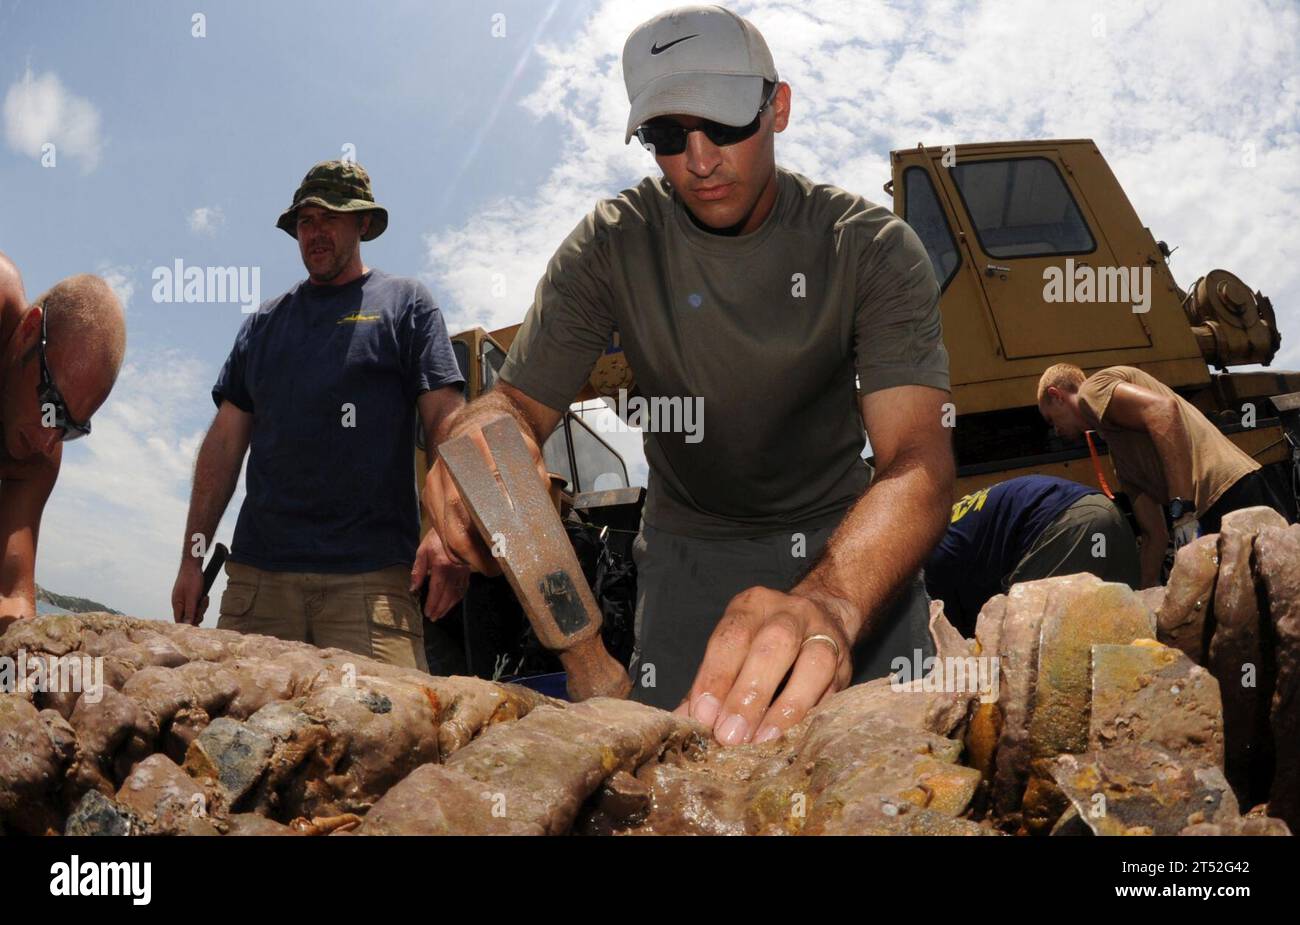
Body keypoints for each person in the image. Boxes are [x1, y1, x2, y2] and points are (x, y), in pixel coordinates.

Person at [424, 6, 953, 744]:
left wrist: (832, 603)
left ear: (779, 108)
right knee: (671, 780)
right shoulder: (612, 244)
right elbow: (514, 402)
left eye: (727, 124)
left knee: (904, 767)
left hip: (846, 539)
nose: (699, 160)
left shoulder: (870, 248)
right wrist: (478, 433)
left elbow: (918, 460)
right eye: (668, 137)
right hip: (687, 553)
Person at [170, 161, 468, 669]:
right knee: (232, 739)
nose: (315, 232)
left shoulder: (406, 305)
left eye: (331, 217)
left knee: (387, 741)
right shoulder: (264, 323)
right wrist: (191, 559)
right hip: (258, 584)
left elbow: (447, 421)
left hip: (371, 588)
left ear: (363, 224)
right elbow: (223, 447)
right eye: (306, 221)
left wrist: (450, 532)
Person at [1037, 363, 1289, 587]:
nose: (1056, 431)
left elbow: (1164, 411)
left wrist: (1183, 509)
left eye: (1051, 420)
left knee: (1285, 587)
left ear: (1056, 395)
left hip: (1231, 491)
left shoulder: (1091, 391)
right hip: (1215, 509)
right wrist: (1142, 594)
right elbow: (1154, 536)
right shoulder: (1120, 457)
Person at [0, 252, 126, 629]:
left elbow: (11, 595)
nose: (47, 441)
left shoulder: (41, 449)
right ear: (27, 334)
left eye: (72, 427)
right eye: (50, 406)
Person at [924, 475, 1140, 634]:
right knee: (1128, 634)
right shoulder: (950, 528)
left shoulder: (929, 556)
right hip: (1104, 512)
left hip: (1066, 525)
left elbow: (947, 630)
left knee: (1026, 639)